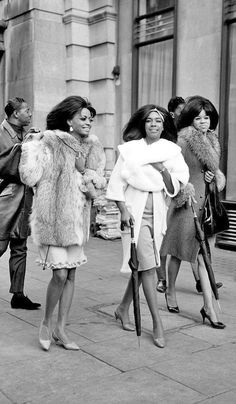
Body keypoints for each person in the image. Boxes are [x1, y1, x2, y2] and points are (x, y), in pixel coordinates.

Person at [19, 95, 106, 351]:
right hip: (51, 220)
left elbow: (96, 189)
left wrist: (83, 171)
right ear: (69, 120)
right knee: (60, 274)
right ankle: (46, 323)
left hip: (76, 222)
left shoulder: (92, 146)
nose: (88, 122)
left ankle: (61, 329)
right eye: (83, 118)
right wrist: (29, 148)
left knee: (71, 274)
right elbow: (29, 177)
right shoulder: (48, 142)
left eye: (90, 118)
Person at [106, 104, 189, 348]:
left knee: (143, 267)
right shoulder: (130, 149)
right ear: (143, 124)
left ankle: (122, 308)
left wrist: (162, 169)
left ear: (164, 126)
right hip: (135, 211)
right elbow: (116, 182)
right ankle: (157, 324)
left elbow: (176, 186)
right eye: (149, 120)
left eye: (158, 121)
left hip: (160, 212)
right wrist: (122, 211)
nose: (153, 124)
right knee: (149, 268)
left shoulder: (171, 150)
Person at [160, 96, 226, 329]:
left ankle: (206, 305)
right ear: (189, 119)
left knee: (202, 254)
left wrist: (213, 176)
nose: (203, 121)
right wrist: (186, 185)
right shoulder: (184, 140)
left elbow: (213, 170)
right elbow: (172, 171)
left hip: (207, 202)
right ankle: (172, 292)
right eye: (197, 117)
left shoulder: (212, 139)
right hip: (188, 202)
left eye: (206, 117)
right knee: (179, 251)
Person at [0, 97, 41, 310]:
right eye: (27, 110)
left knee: (20, 246)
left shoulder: (27, 133)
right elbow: (4, 165)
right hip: (5, 199)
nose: (30, 113)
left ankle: (18, 295)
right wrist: (25, 146)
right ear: (16, 113)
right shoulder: (1, 133)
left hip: (24, 197)